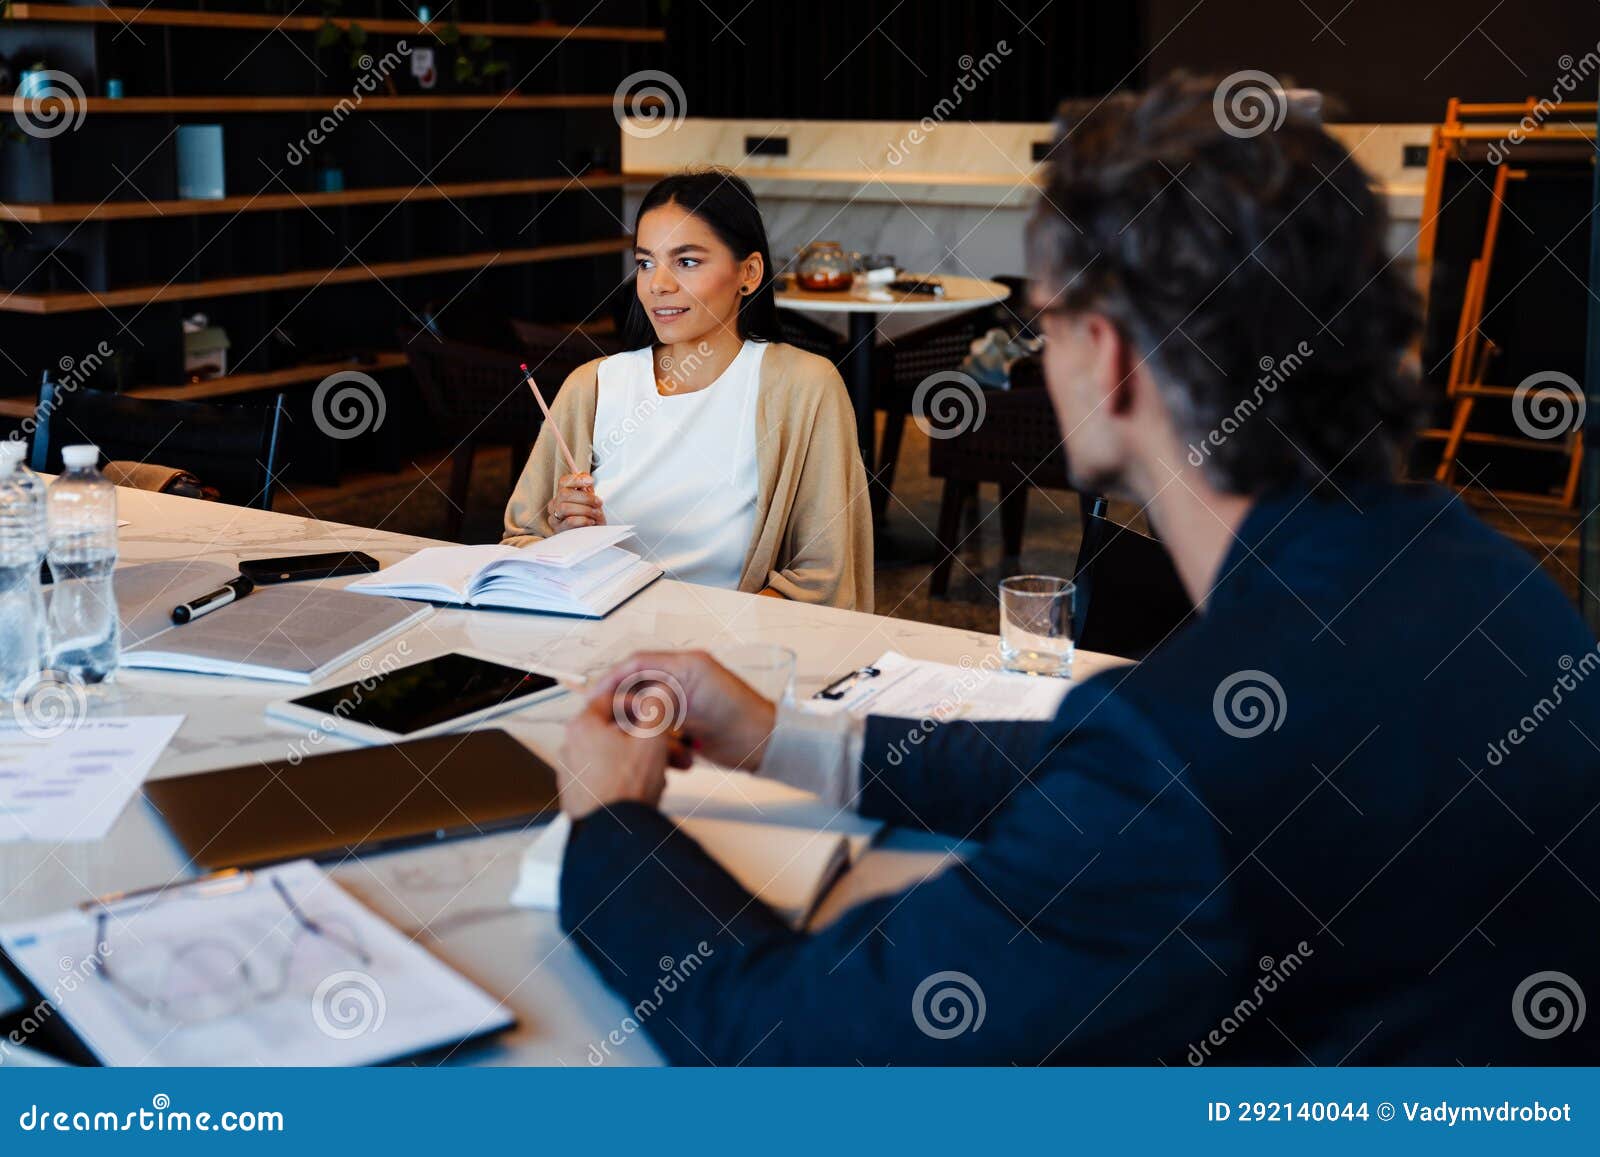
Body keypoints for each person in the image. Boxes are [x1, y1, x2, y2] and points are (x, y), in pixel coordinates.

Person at [548, 75, 1600, 1065]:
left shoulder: (1174, 773)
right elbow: (1113, 744)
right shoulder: (1482, 576)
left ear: (1104, 353)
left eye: (1039, 321)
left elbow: (790, 1044)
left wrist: (610, 825)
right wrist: (788, 739)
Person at [503, 169, 873, 610]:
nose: (658, 284)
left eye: (687, 261)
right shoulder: (592, 386)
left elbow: (823, 579)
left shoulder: (805, 388)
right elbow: (520, 544)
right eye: (645, 263)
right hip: (602, 648)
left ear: (749, 273)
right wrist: (564, 542)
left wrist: (702, 645)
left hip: (736, 657)